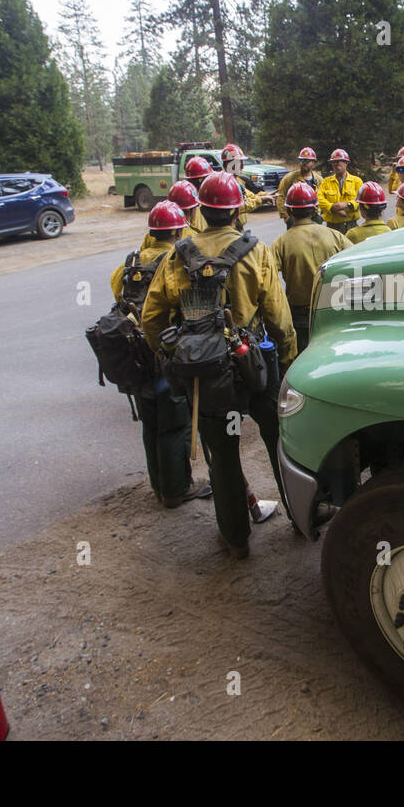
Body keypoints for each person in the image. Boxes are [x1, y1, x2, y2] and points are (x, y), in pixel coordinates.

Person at [140, 174, 296, 560]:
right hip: (255, 365)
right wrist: (289, 356)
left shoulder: (179, 255)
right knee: (277, 437)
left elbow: (151, 317)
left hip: (206, 373)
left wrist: (171, 355)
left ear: (202, 211)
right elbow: (278, 316)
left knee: (223, 454)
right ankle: (297, 513)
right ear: (234, 211)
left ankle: (235, 538)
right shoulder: (255, 251)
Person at [110, 200, 211, 510]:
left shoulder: (129, 264)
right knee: (175, 424)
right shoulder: (174, 262)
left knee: (151, 422)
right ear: (179, 229)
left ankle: (159, 484)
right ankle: (176, 489)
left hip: (136, 357)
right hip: (164, 353)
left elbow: (119, 297)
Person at [272, 182, 351, 352]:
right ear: (315, 209)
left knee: (303, 355)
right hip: (334, 308)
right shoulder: (336, 236)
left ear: (290, 211)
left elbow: (267, 276)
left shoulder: (281, 243)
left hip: (300, 315)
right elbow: (356, 262)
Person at [222, 142, 274, 230]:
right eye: (239, 162)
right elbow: (240, 206)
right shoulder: (225, 185)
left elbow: (248, 196)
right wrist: (261, 200)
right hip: (229, 230)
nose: (242, 166)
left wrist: (266, 195)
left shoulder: (237, 181)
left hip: (237, 227)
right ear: (228, 164)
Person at [317, 148, 362, 236]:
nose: (337, 164)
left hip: (351, 226)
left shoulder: (357, 181)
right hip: (332, 227)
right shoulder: (326, 182)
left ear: (346, 163)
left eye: (340, 161)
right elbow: (319, 200)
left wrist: (347, 205)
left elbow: (360, 200)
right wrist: (333, 208)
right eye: (334, 162)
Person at [277, 147, 321, 226]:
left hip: (314, 216)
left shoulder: (319, 179)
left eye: (307, 160)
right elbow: (281, 196)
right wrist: (286, 216)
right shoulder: (289, 178)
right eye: (302, 160)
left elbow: (324, 197)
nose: (304, 162)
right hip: (295, 217)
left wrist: (322, 216)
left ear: (313, 162)